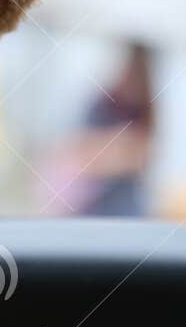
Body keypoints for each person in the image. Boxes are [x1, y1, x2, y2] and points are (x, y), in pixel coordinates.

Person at [51, 40, 156, 218]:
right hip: (94, 208)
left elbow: (144, 156)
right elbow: (82, 155)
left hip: (128, 209)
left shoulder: (145, 108)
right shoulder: (100, 104)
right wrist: (121, 152)